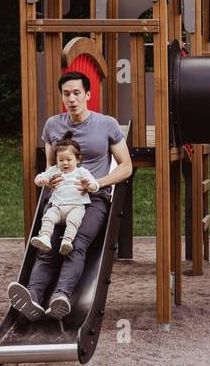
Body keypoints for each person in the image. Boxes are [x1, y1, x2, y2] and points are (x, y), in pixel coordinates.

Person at [7, 70, 133, 321]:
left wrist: (97, 183)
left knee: (76, 244)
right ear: (62, 97)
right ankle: (32, 297)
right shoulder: (53, 125)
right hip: (60, 199)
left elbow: (126, 166)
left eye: (77, 93)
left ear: (88, 94)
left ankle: (61, 296)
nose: (72, 98)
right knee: (48, 245)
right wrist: (49, 178)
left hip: (93, 200)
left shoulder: (106, 124)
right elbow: (50, 165)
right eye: (67, 94)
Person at [30, 133, 99, 256]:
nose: (64, 163)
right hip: (57, 206)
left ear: (78, 159)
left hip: (76, 206)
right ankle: (45, 237)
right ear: (57, 160)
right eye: (61, 160)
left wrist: (88, 185)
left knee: (73, 221)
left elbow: (95, 186)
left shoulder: (81, 172)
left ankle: (67, 241)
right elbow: (39, 177)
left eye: (69, 159)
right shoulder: (54, 170)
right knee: (48, 217)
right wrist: (40, 180)